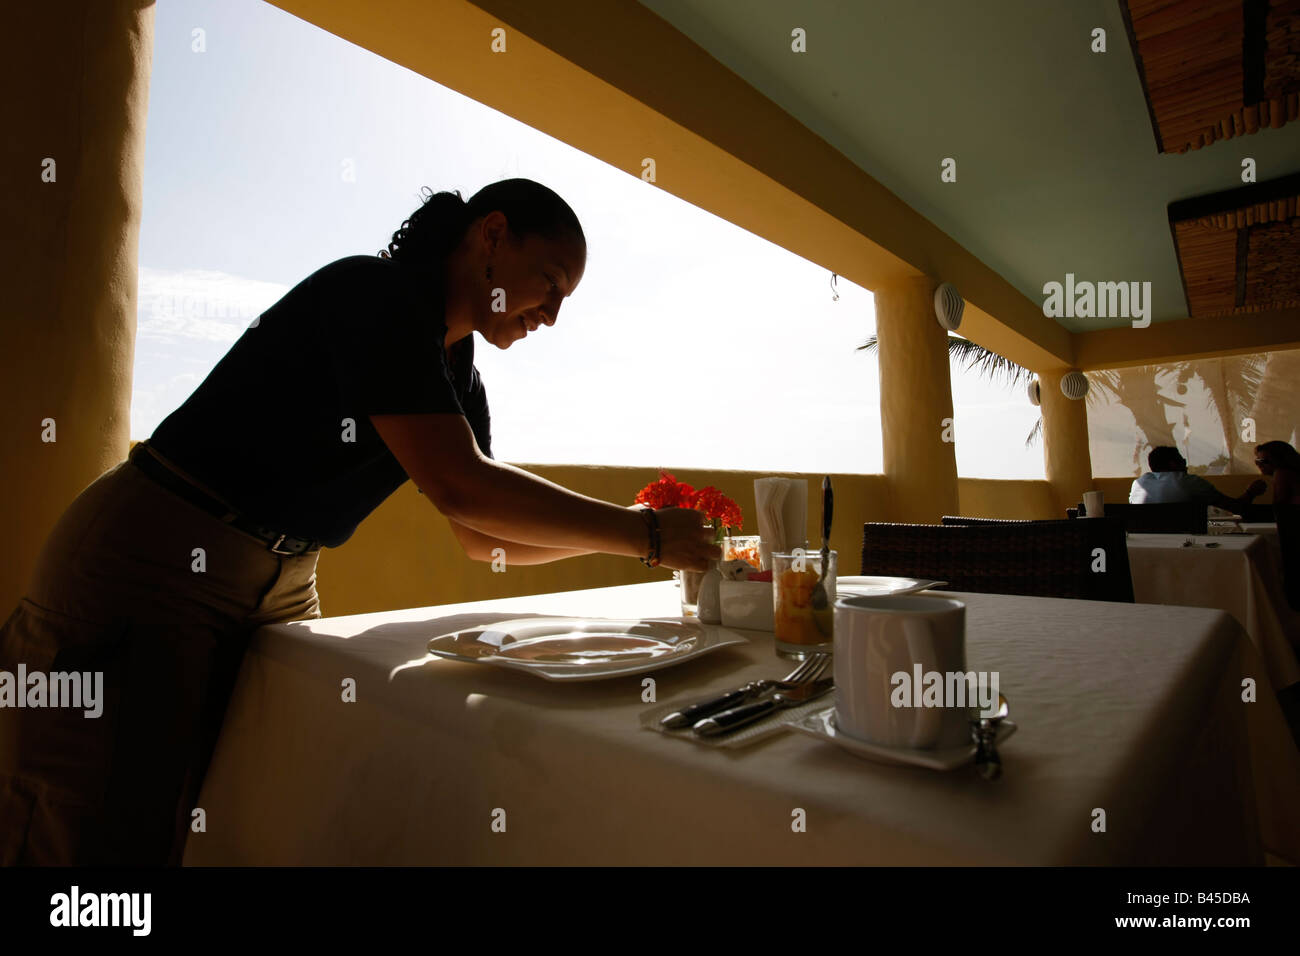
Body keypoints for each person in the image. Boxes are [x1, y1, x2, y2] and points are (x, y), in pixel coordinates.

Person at [0, 179, 719, 866]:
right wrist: (644, 533)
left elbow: (486, 538)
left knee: (217, 818)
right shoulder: (374, 294)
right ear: (492, 236)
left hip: (282, 584)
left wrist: (643, 545)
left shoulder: (459, 374)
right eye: (552, 281)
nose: (552, 314)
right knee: (91, 836)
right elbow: (461, 487)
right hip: (152, 565)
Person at [1129, 445, 1266, 509]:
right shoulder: (1189, 482)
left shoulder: (1138, 484)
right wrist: (1251, 492)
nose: (1186, 464)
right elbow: (1234, 507)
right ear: (1173, 464)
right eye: (1182, 460)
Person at [1254, 440, 1300, 506]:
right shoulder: (1288, 473)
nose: (1259, 465)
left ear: (1279, 460)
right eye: (1257, 461)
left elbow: (1279, 508)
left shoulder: (1282, 473)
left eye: (1265, 461)